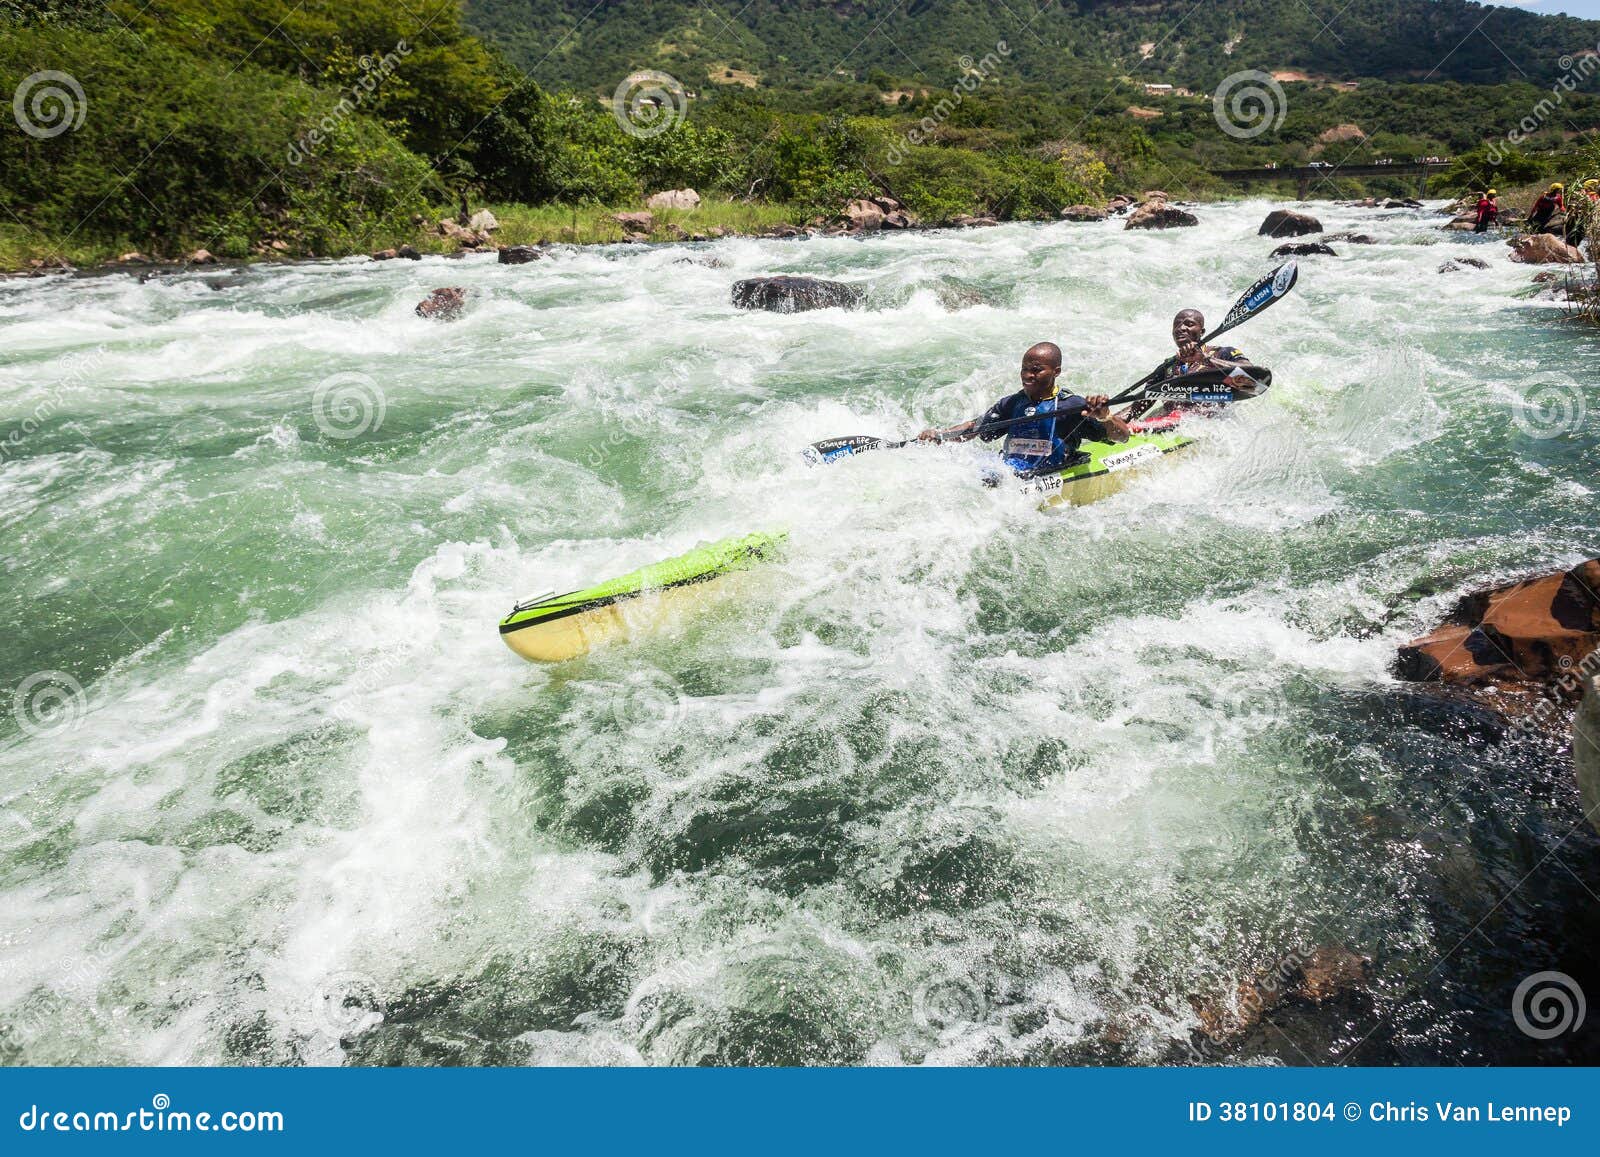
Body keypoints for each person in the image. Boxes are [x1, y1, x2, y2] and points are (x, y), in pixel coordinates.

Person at [918, 342, 1129, 476]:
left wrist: (1105, 417)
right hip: (1011, 471)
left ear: (1056, 371)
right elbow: (974, 428)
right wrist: (941, 435)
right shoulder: (1012, 403)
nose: (1028, 375)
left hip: (1050, 472)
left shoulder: (1070, 405)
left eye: (1037, 370)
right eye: (1025, 369)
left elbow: (1122, 437)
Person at [1126, 309, 1261, 424]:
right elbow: (1136, 408)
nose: (1181, 328)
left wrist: (1206, 359)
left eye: (1189, 324)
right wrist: (1107, 417)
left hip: (1211, 425)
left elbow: (1255, 383)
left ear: (1202, 331)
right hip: (1170, 426)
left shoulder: (1223, 353)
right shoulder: (1166, 368)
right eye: (1176, 325)